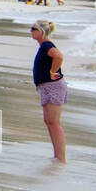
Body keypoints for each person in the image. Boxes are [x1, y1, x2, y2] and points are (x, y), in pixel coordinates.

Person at [30, 20, 67, 163]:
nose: (31, 31)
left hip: (53, 86)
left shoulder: (46, 45)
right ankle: (56, 155)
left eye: (34, 29)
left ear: (42, 31)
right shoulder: (43, 46)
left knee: (54, 122)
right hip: (47, 87)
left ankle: (61, 158)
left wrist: (52, 71)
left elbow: (59, 56)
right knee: (49, 121)